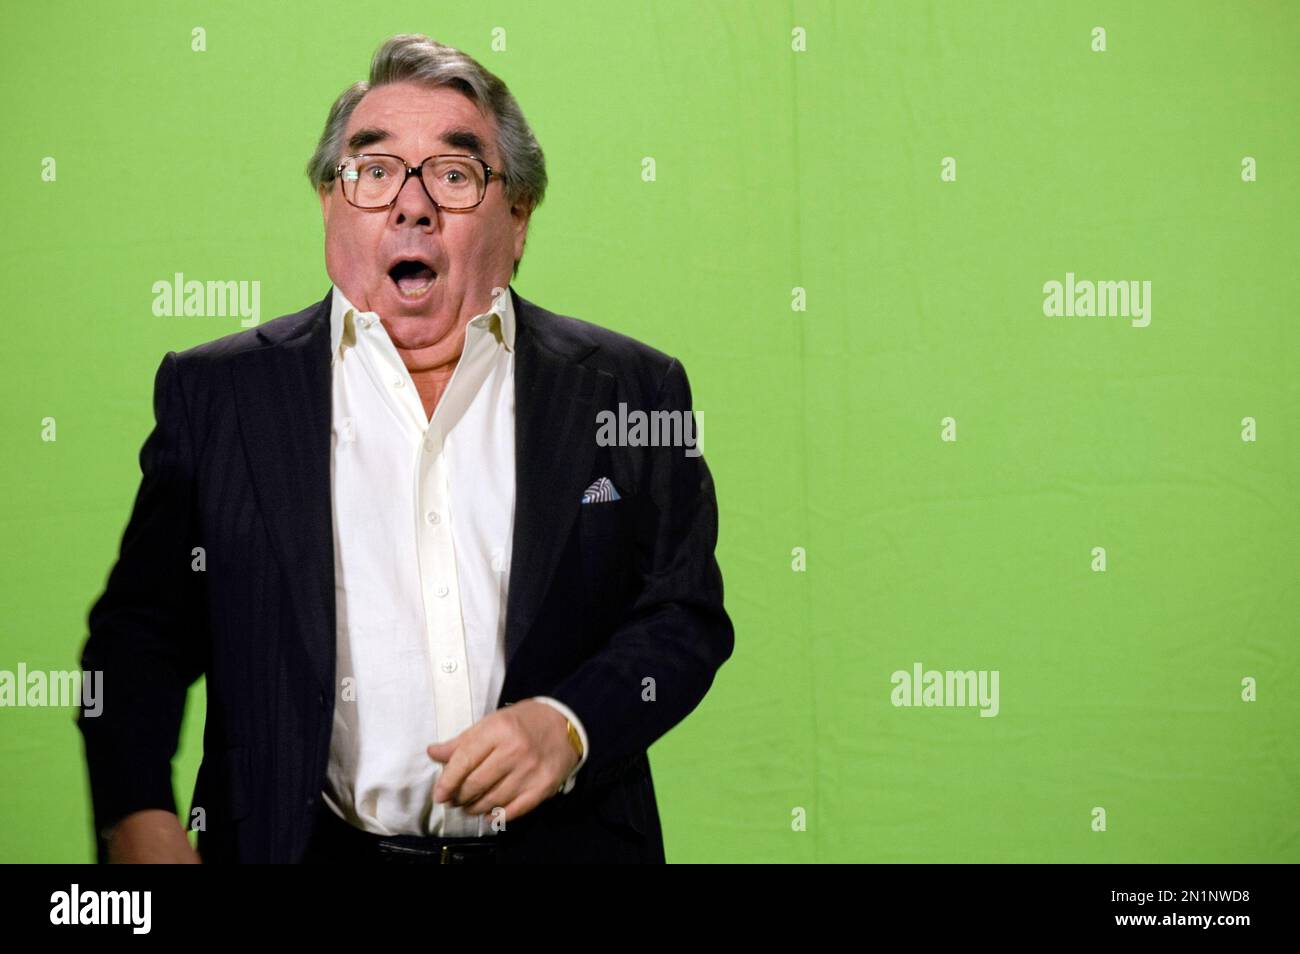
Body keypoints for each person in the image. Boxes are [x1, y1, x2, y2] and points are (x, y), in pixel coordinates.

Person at [75, 33, 734, 864]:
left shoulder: (630, 388)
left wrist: (570, 726)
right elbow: (141, 635)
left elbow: (683, 614)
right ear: (329, 203)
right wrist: (139, 819)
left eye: (455, 175)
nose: (411, 204)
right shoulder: (220, 396)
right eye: (374, 170)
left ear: (519, 215)